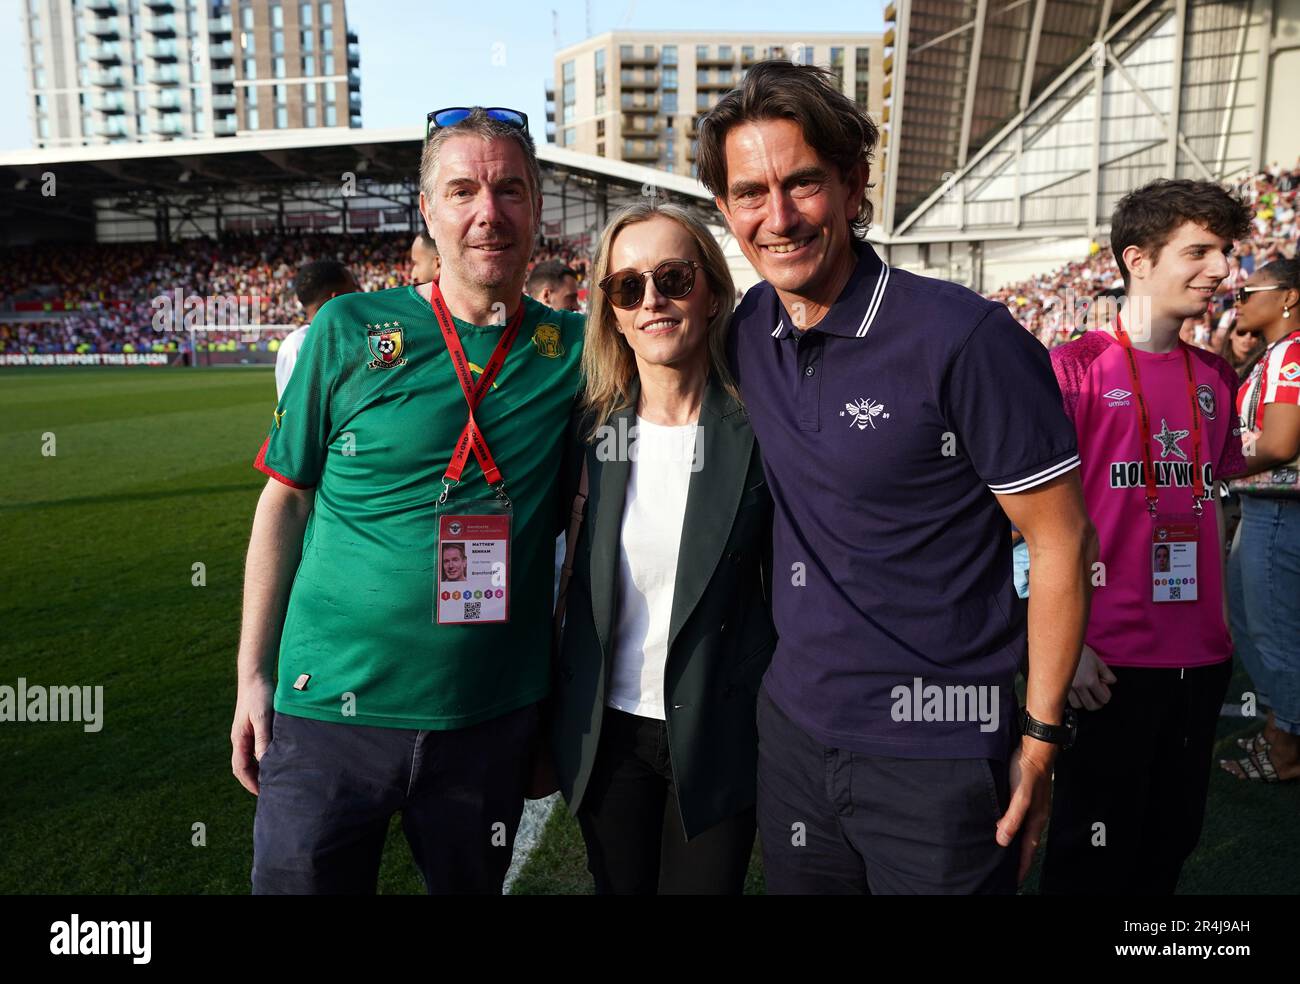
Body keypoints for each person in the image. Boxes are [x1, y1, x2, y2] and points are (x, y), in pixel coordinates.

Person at [698, 60, 1096, 895]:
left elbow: (1060, 540)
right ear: (726, 208)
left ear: (851, 183)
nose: (777, 217)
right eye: (748, 194)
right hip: (796, 734)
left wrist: (1040, 737)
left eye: (802, 183)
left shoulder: (966, 338)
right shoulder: (747, 332)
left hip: (941, 749)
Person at [231, 106, 585, 894]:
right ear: (428, 212)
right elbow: (283, 504)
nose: (488, 212)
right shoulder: (349, 329)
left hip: (487, 720)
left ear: (536, 209)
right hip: (328, 711)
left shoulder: (573, 350)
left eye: (510, 190)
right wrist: (252, 674)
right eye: (463, 191)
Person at [550, 202, 775, 895]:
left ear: (711, 292)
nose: (652, 300)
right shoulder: (587, 428)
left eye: (674, 278)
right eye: (627, 287)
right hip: (608, 735)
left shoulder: (762, 424)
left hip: (720, 733)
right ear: (612, 311)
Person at [1043, 178, 1252, 894]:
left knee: (1167, 850)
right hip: (1104, 666)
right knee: (1088, 857)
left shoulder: (1217, 377)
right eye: (1199, 251)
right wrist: (1065, 648)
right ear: (1138, 259)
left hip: (1201, 660)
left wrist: (1220, 625)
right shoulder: (1071, 371)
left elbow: (1213, 505)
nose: (1222, 269)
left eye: (1225, 251)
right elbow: (1028, 526)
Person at [1221, 257, 1300, 783]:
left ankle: (1286, 746)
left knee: (1275, 632)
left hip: (1279, 507)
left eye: (1249, 291)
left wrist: (1210, 464)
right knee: (1255, 623)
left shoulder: (1292, 354)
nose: (1238, 301)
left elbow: (1278, 444)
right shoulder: (1278, 352)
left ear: (1289, 297)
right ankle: (1281, 725)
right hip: (1265, 506)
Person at [274, 260, 359, 399]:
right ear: (336, 298)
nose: (358, 297)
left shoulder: (352, 337)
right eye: (353, 291)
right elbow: (293, 413)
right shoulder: (299, 344)